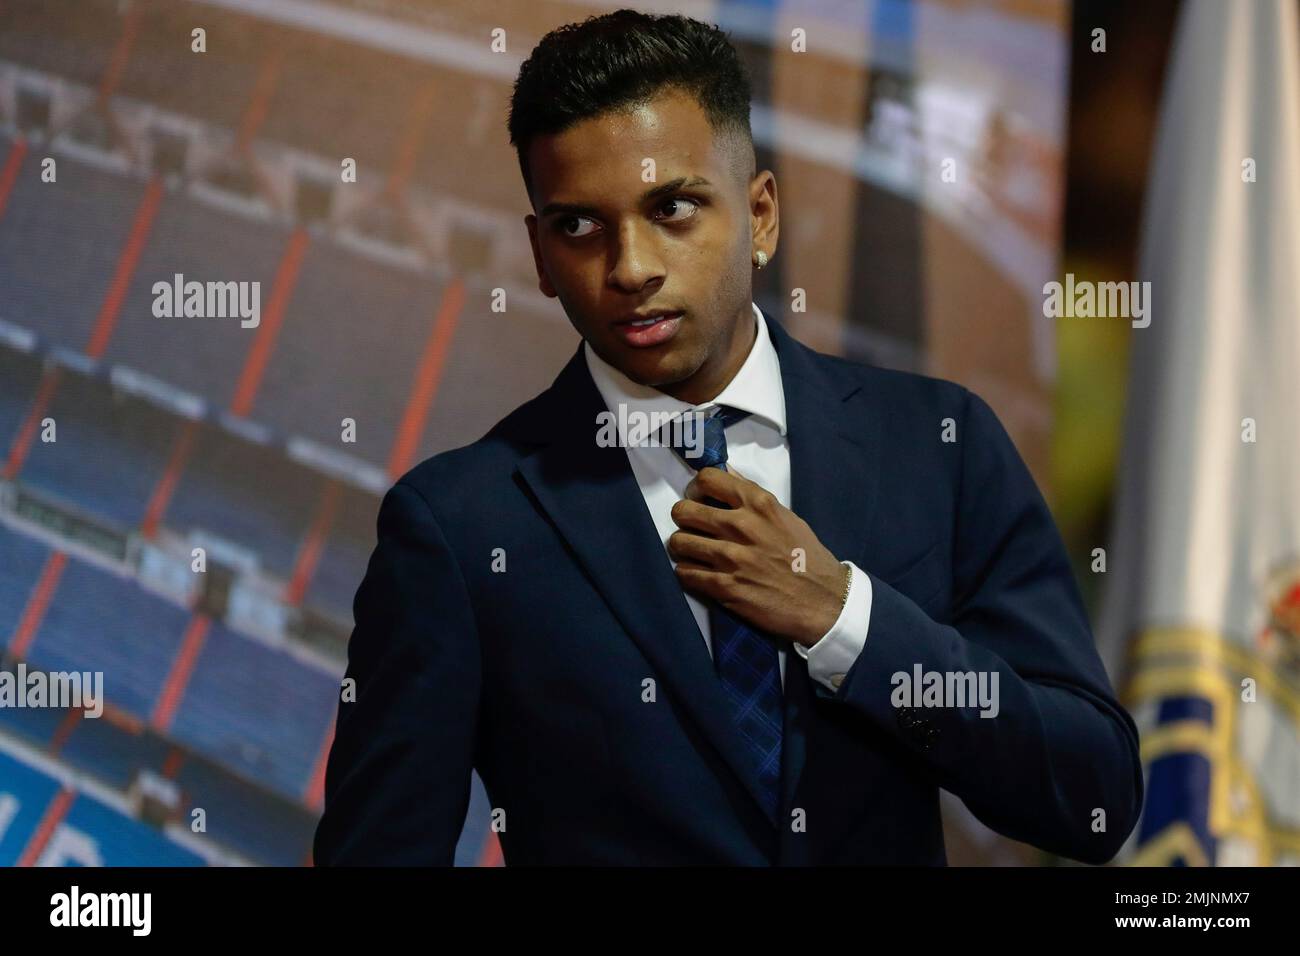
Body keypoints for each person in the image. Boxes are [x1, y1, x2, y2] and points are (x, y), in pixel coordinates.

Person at [313, 9, 1142, 866]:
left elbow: (1093, 794)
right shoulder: (459, 527)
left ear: (762, 215)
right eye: (579, 226)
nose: (630, 265)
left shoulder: (939, 445)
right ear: (538, 255)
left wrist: (843, 621)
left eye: (672, 207)